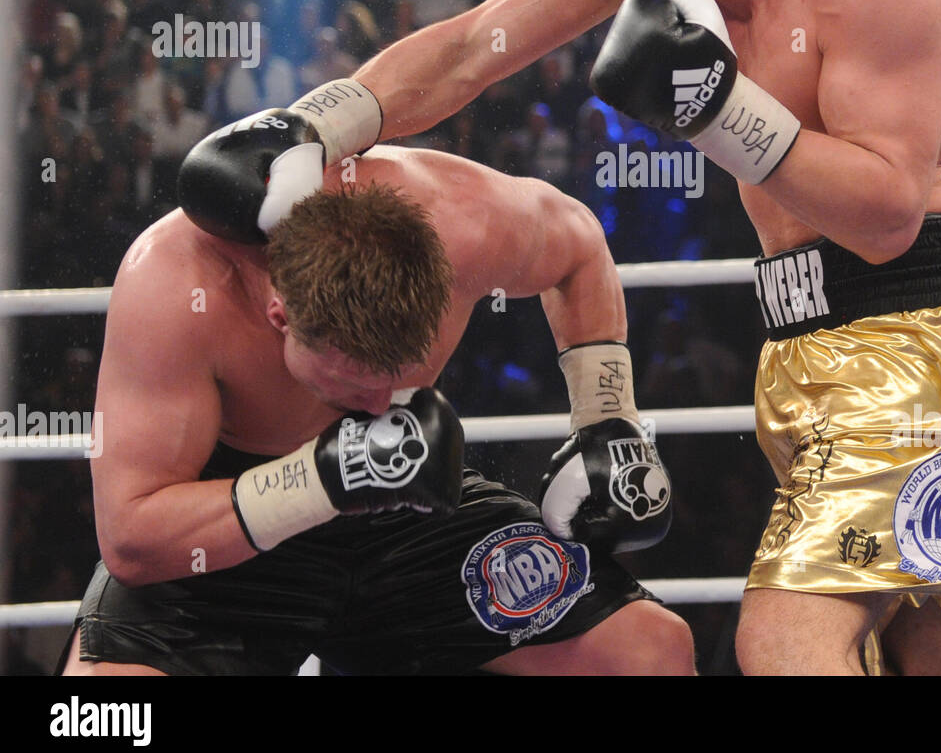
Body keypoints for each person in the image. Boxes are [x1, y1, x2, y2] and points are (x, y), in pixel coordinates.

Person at [179, 0, 941, 675]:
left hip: (915, 343)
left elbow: (889, 213)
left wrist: (722, 112)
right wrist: (306, 129)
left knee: (784, 646)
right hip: (812, 342)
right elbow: (467, 51)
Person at [61, 143, 691, 675]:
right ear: (281, 315)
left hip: (403, 504)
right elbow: (131, 537)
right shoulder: (177, 284)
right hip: (221, 525)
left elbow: (581, 244)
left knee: (653, 652)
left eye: (397, 380)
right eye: (353, 388)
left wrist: (607, 416)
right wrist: (328, 477)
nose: (376, 405)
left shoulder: (464, 221)